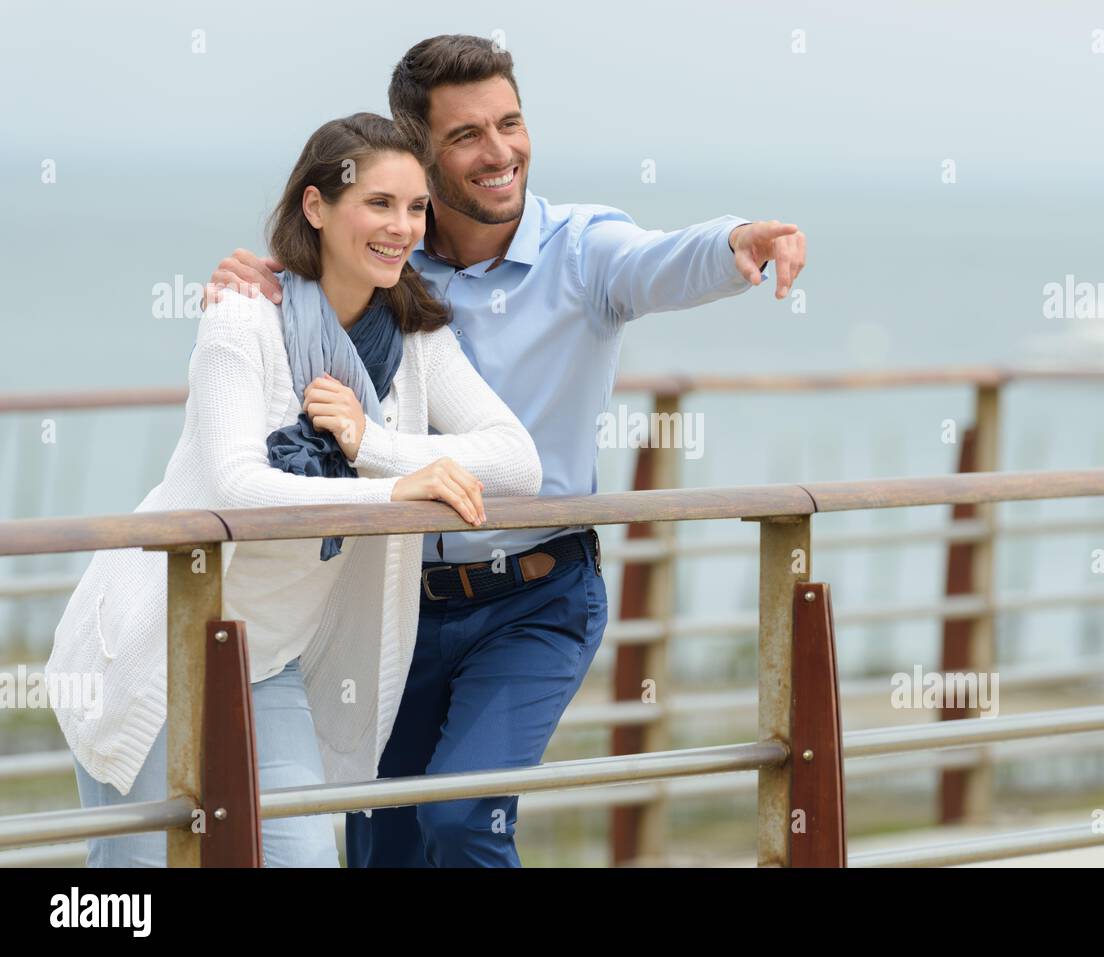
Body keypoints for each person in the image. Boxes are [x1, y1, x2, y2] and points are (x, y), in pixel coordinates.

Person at [207, 34, 808, 867]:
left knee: (461, 821)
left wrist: (735, 243)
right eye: (466, 136)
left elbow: (659, 259)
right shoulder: (392, 257)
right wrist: (257, 278)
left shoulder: (584, 249)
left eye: (510, 124)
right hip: (397, 604)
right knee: (383, 842)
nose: (500, 153)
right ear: (418, 155)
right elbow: (308, 290)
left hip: (535, 598)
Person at [48, 111, 542, 867]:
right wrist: (397, 493)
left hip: (264, 660)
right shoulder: (243, 317)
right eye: (378, 203)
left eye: (415, 208)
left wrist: (371, 444)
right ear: (317, 207)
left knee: (305, 857)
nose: (402, 227)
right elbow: (236, 491)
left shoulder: (413, 339)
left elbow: (517, 462)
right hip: (154, 647)